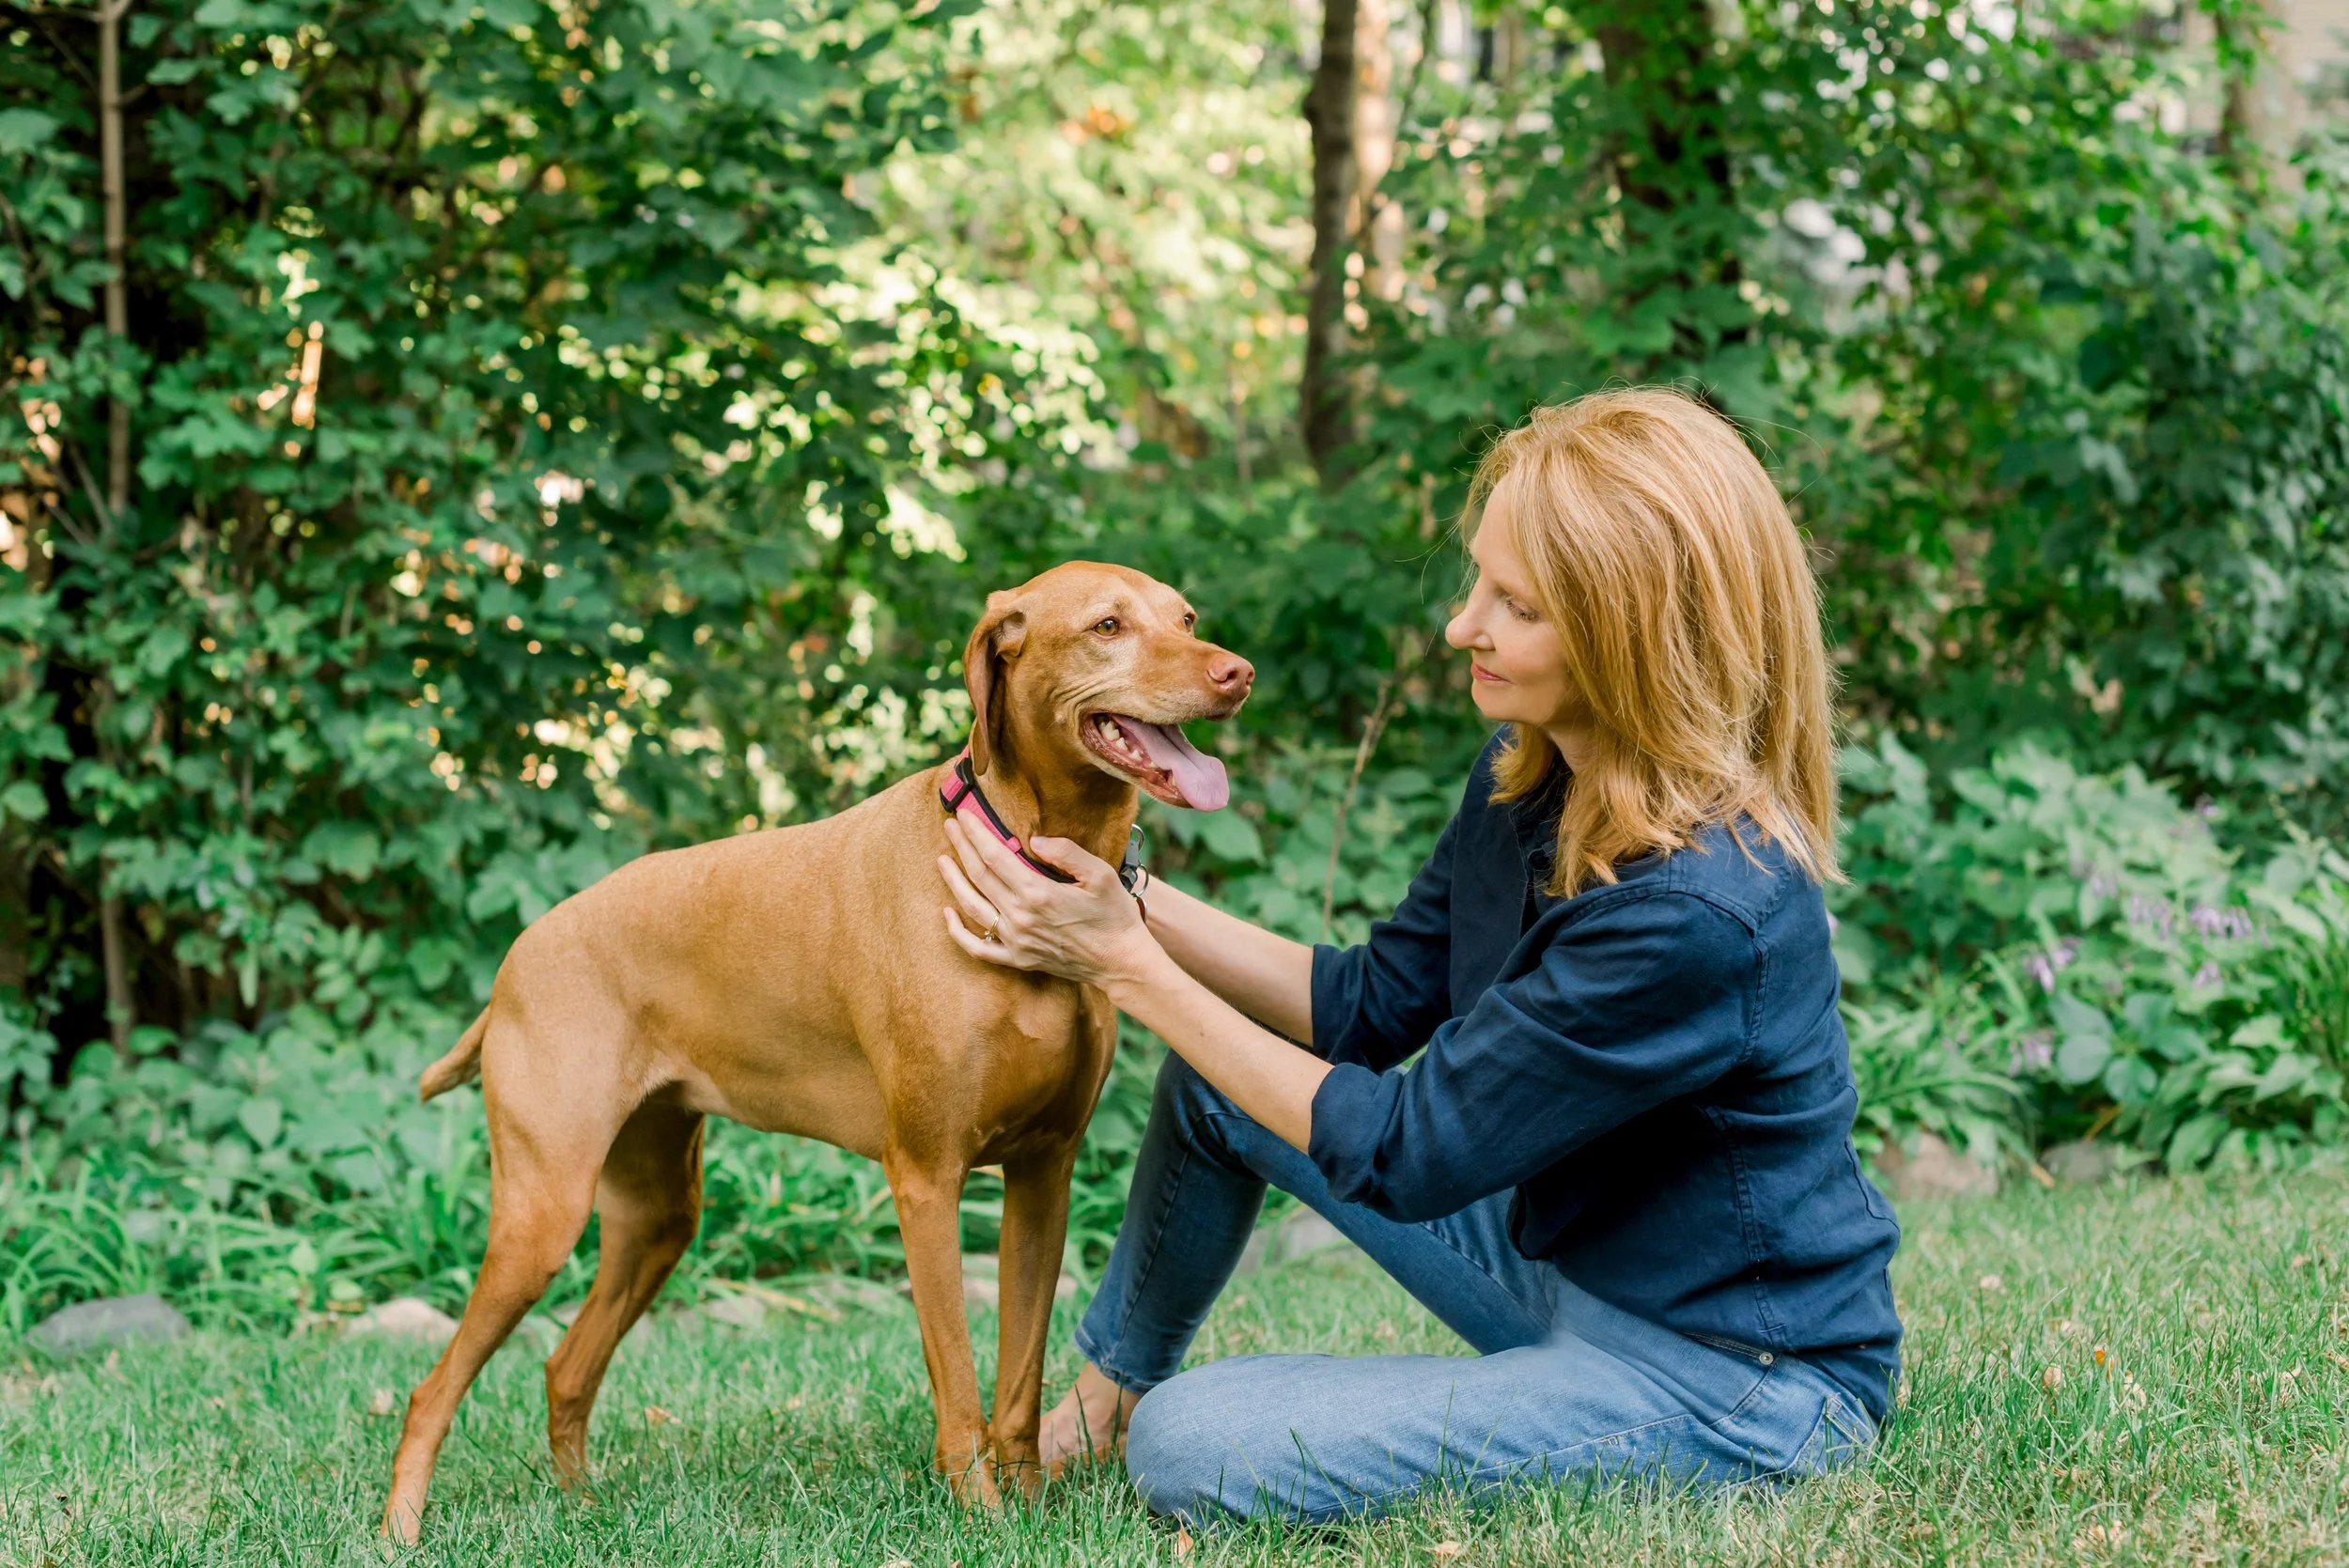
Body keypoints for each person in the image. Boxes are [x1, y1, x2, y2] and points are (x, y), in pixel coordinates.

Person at [935, 386, 1902, 1525]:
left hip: (1733, 1377)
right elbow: (1370, 1002)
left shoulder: (1698, 909)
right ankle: (1107, 1395)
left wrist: (1123, 967)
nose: (1460, 626)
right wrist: (1126, 904)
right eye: (1477, 581)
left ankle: (1184, 1419)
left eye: (1514, 605)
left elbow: (1407, 1150)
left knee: (1198, 1446)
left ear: (1628, 634)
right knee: (1224, 1074)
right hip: (1564, 1260)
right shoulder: (1532, 772)